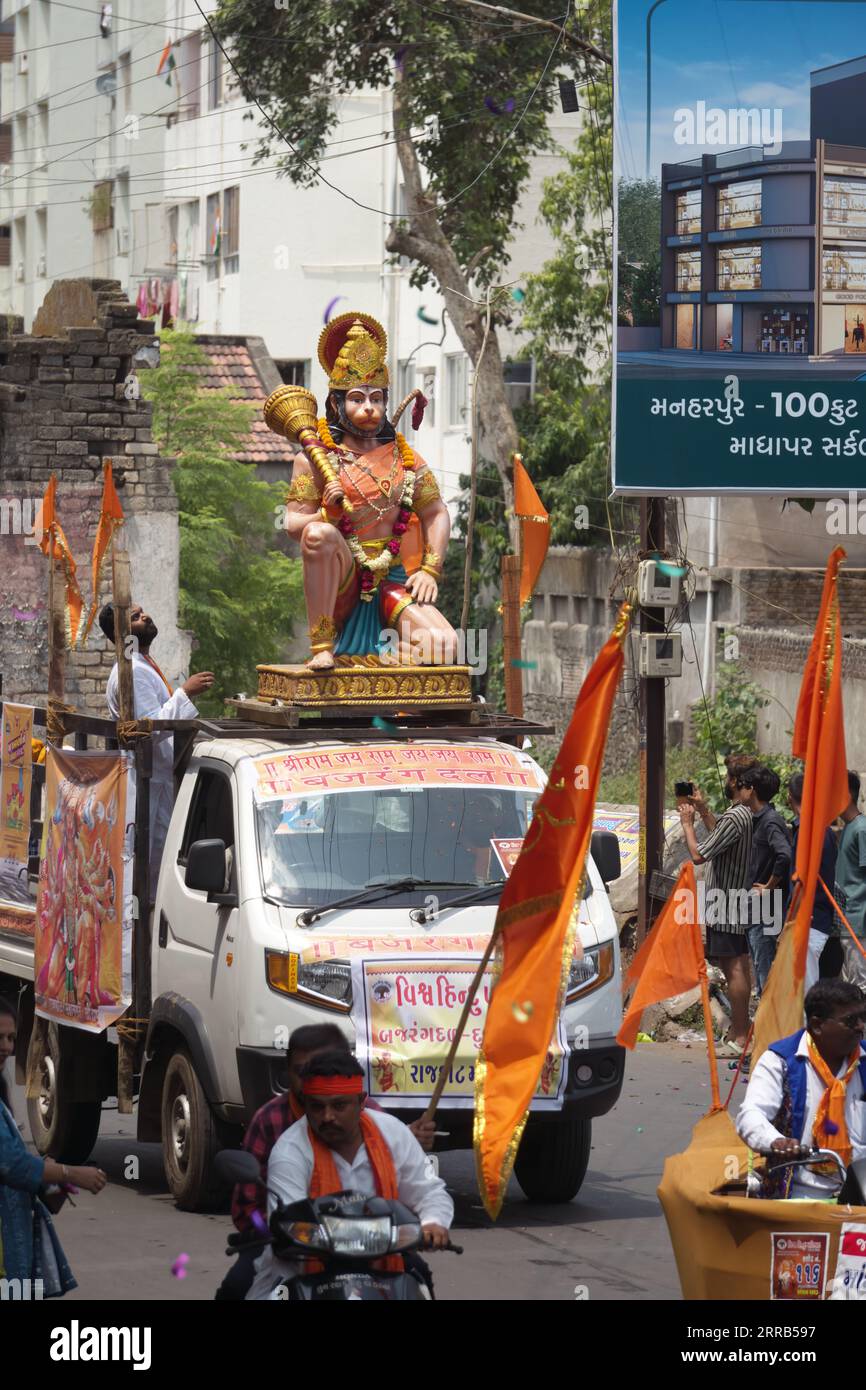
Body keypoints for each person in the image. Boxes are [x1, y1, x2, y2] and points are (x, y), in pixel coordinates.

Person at [278, 312, 457, 670]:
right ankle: (323, 646)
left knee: (445, 645)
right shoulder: (316, 460)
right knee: (318, 534)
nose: (368, 409)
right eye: (357, 399)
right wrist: (326, 514)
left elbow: (436, 511)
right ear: (336, 405)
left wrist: (429, 569)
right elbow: (293, 525)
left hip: (388, 582)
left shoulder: (405, 458)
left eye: (376, 399)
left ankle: (388, 659)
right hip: (343, 580)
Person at [216, 1023, 436, 1301]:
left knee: (419, 1278)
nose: (328, 1115)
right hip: (287, 1245)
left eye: (340, 1105)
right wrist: (276, 1232)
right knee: (238, 1286)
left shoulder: (376, 1121)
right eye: (303, 1071)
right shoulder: (270, 1121)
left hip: (369, 1242)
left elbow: (406, 1187)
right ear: (290, 1073)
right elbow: (247, 1209)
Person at [99, 600, 214, 899]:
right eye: (136, 617)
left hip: (160, 778)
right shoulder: (131, 673)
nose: (145, 616)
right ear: (122, 633)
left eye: (142, 612)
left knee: (159, 859)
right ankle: (144, 936)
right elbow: (149, 729)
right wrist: (186, 692)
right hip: (149, 782)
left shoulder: (142, 664)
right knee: (150, 864)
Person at [0, 995, 108, 1296]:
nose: (7, 1047)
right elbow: (11, 1164)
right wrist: (70, 1174)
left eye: (10, 1038)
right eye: (0, 1038)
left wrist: (49, 1179)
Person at [736, 979, 866, 1199]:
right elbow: (751, 1115)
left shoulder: (863, 1061)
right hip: (797, 1196)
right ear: (817, 1025)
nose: (861, 1027)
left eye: (863, 1018)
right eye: (850, 1020)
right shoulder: (780, 1062)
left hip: (858, 1194)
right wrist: (775, 1141)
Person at [678, 756, 755, 1055]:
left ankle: (739, 1036)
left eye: (728, 778)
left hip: (728, 899)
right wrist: (703, 809)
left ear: (736, 782)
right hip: (729, 898)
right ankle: (741, 1030)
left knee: (735, 967)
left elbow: (699, 855)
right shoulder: (738, 814)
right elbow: (720, 836)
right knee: (732, 964)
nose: (725, 782)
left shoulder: (737, 816)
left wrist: (687, 824)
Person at [738, 766, 792, 996]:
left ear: (752, 790)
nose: (739, 791)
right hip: (753, 910)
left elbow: (784, 854)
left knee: (766, 971)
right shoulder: (755, 820)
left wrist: (769, 885)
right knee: (760, 968)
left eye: (741, 786)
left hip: (764, 911)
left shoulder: (770, 821)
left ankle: (771, 1026)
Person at [788, 772, 840, 992]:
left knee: (805, 995)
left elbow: (802, 881)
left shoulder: (810, 831)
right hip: (815, 920)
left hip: (808, 922)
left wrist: (789, 923)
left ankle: (809, 1028)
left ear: (789, 797)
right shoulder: (822, 829)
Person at [834, 770, 866, 991]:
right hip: (846, 921)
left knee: (860, 985)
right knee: (851, 985)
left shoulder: (861, 829)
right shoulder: (849, 827)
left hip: (858, 921)